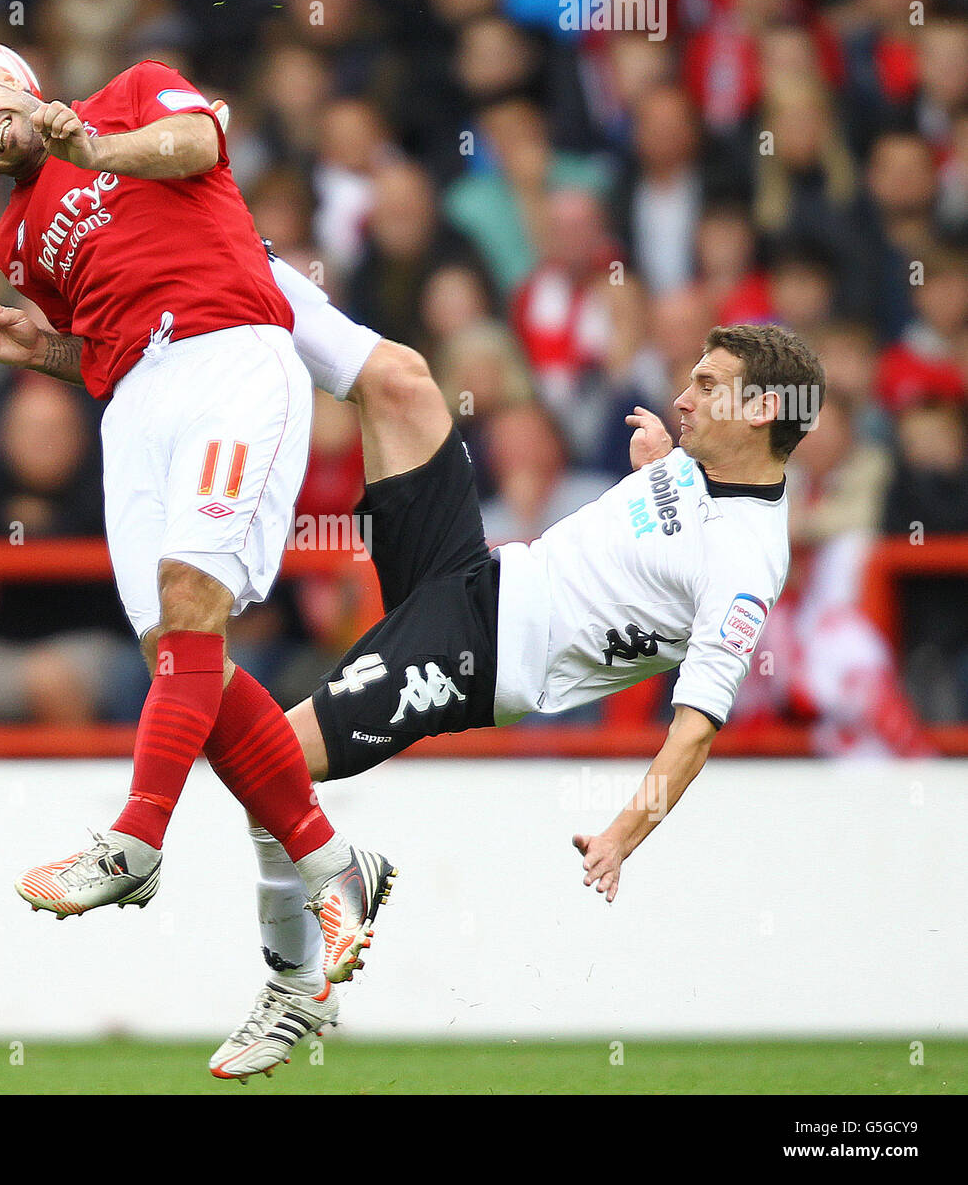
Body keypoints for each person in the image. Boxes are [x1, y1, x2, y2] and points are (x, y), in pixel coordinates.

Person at [213, 319, 823, 1079]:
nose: (681, 396)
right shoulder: (702, 469)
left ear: (762, 411)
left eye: (706, 385)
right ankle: (255, 272)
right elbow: (672, 530)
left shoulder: (746, 562)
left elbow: (695, 729)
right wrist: (661, 463)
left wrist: (623, 833)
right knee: (395, 376)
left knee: (259, 755)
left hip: (477, 655)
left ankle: (296, 980)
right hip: (472, 574)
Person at [0, 41, 393, 987]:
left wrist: (90, 147)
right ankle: (337, 864)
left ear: (12, 80)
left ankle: (135, 840)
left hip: (228, 356)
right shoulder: (13, 244)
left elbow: (199, 146)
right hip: (133, 404)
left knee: (189, 599)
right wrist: (42, 353)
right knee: (172, 648)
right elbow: (103, 347)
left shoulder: (127, 94)